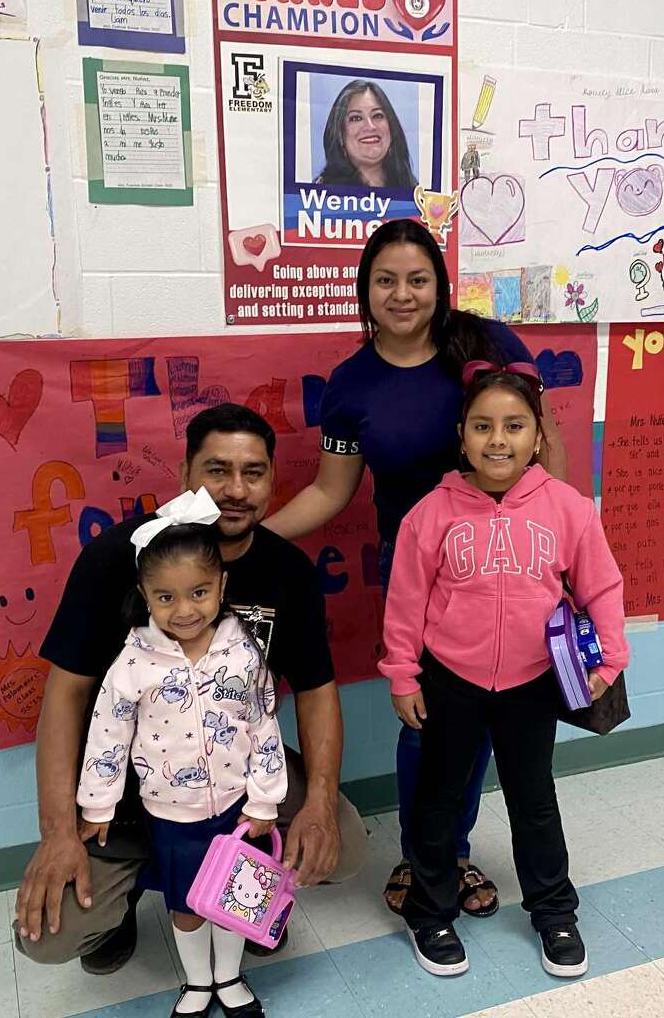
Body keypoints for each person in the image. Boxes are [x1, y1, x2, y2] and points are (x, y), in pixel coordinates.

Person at [264, 218, 568, 921]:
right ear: (365, 290)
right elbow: (330, 492)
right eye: (386, 281)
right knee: (425, 720)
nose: (402, 295)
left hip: (513, 565)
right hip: (420, 579)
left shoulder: (490, 344)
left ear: (440, 285)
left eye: (418, 279)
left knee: (496, 717)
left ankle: (452, 851)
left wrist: (562, 542)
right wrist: (240, 540)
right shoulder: (350, 385)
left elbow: (544, 442)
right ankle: (424, 854)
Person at [15, 404, 366, 973]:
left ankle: (239, 893)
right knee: (50, 938)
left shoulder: (288, 571)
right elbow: (65, 696)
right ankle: (120, 902)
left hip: (233, 776)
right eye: (217, 470)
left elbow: (317, 690)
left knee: (343, 847)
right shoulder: (116, 557)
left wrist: (319, 803)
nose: (236, 489)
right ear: (184, 477)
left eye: (253, 472)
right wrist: (59, 833)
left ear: (273, 482)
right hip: (127, 793)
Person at [379, 364, 628, 979]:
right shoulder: (431, 515)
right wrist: (403, 674)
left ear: (537, 436)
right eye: (483, 426)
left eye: (514, 426)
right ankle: (430, 910)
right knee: (438, 800)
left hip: (531, 681)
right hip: (449, 679)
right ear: (461, 436)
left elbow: (601, 584)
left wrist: (611, 656)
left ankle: (553, 911)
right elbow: (406, 602)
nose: (498, 440)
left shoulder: (567, 508)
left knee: (533, 798)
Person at [77, 488, 283, 1017]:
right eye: (166, 598)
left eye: (198, 593)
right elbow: (107, 735)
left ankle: (231, 978)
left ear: (221, 586)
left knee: (235, 900)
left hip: (238, 809)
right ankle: (198, 983)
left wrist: (265, 800)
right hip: (171, 816)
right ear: (146, 596)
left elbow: (263, 725)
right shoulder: (132, 663)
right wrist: (97, 805)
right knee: (187, 905)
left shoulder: (243, 650)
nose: (184, 610)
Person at [316, 79, 418, 189]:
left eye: (377, 116)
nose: (370, 127)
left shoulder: (416, 194)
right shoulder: (321, 196)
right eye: (356, 118)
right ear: (340, 135)